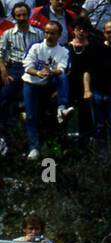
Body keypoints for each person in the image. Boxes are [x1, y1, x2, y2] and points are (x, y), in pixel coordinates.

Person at [20, 19, 72, 160]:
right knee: (31, 116)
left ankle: (62, 107)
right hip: (32, 83)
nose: (49, 36)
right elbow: (27, 66)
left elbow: (62, 68)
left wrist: (50, 72)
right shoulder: (36, 47)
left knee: (62, 77)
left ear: (59, 35)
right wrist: (38, 73)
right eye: (47, 33)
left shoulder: (63, 50)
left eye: (53, 33)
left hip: (49, 84)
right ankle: (34, 148)